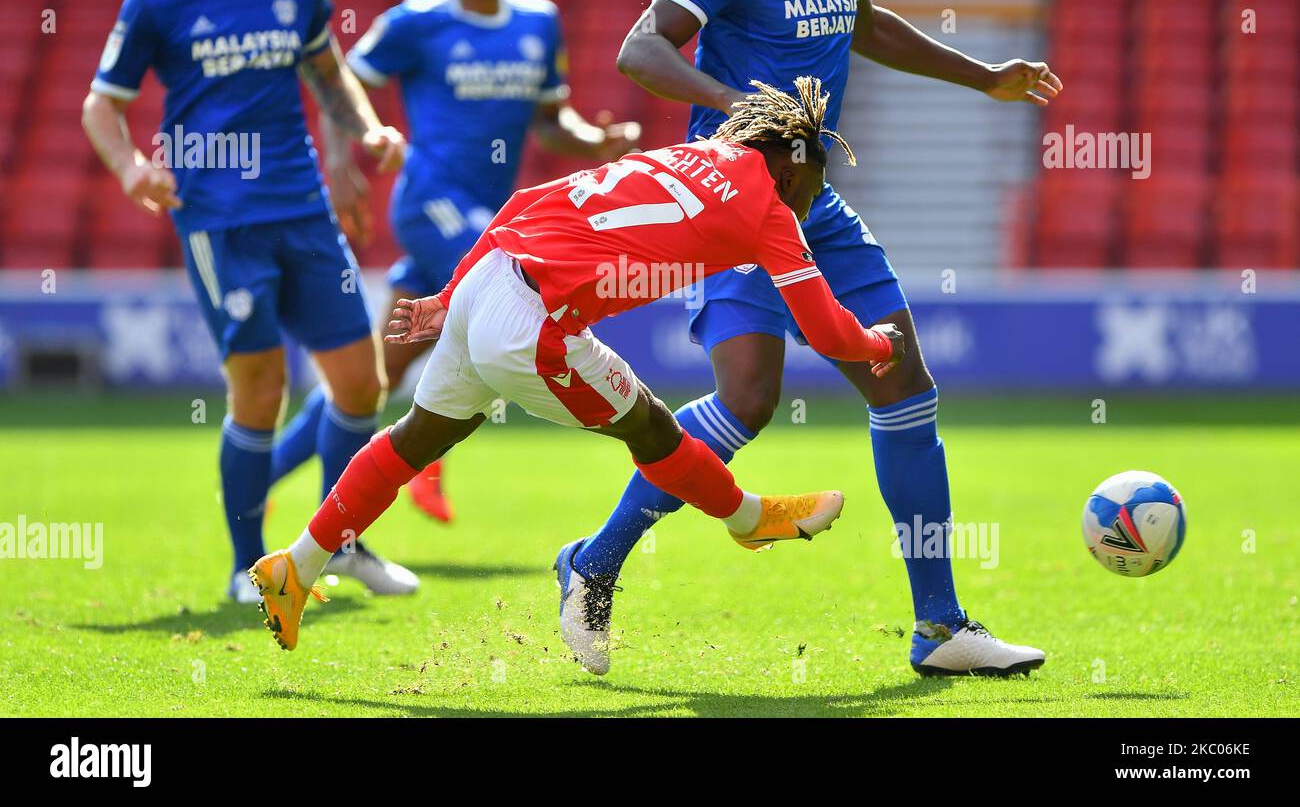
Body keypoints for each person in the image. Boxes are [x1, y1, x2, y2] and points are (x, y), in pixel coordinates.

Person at [560, 0, 1058, 676]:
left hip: (811, 204)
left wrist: (983, 78)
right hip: (729, 200)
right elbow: (638, 51)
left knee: (903, 386)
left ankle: (940, 628)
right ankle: (596, 562)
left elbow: (862, 24)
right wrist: (738, 107)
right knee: (750, 398)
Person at [249, 78, 903, 663]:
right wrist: (878, 343)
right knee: (654, 433)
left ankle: (296, 568)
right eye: (814, 193)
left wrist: (451, 298)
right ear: (790, 175)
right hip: (530, 321)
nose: (811, 209)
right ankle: (745, 518)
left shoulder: (694, 156)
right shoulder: (769, 209)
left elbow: (523, 203)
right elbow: (824, 329)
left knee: (414, 439)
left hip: (490, 277)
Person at [81, 0, 416, 601]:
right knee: (259, 389)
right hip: (220, 220)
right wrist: (132, 166)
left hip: (302, 209)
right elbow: (100, 104)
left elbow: (329, 75)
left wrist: (365, 132)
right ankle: (246, 566)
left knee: (360, 385)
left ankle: (342, 545)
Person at [269, 0, 641, 524]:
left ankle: (262, 475)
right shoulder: (417, 23)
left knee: (377, 377)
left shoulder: (538, 22)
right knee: (513, 303)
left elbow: (551, 124)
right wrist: (340, 165)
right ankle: (431, 458)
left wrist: (595, 143)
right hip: (431, 203)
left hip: (491, 217)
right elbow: (339, 85)